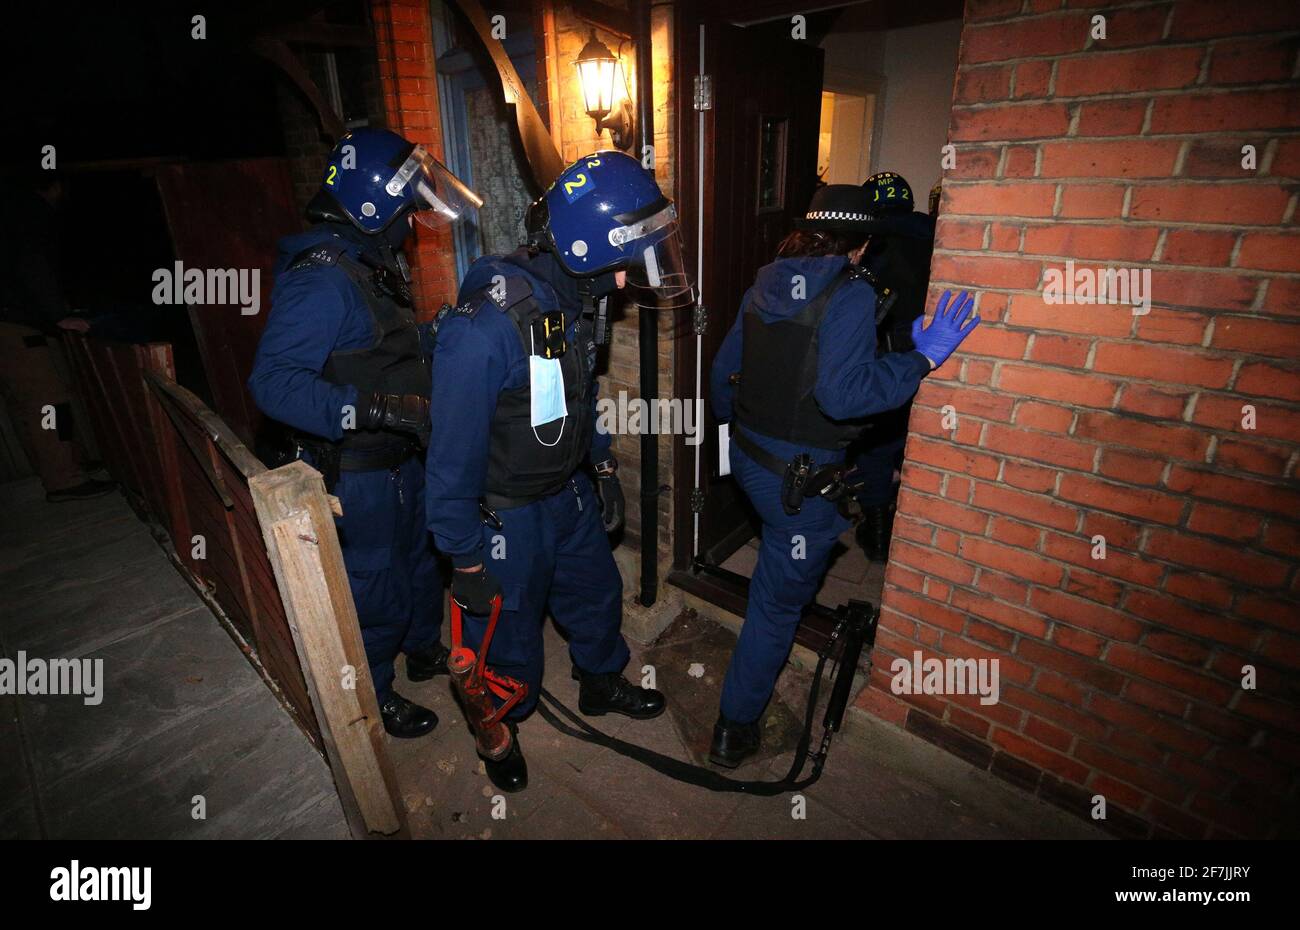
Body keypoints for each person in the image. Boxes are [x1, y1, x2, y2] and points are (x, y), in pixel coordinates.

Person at [425, 150, 694, 793]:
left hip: (567, 490)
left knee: (595, 595)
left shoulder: (577, 295)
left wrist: (599, 464)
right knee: (509, 633)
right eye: (623, 264)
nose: (629, 282)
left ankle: (601, 683)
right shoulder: (487, 327)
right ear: (582, 246)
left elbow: (580, 391)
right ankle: (503, 728)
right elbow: (449, 457)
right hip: (506, 513)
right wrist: (464, 560)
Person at [708, 183, 978, 767]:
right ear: (861, 246)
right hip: (801, 481)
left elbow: (723, 376)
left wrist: (742, 430)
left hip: (752, 460)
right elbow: (842, 394)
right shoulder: (851, 292)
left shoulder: (766, 279)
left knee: (776, 556)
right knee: (777, 607)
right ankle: (734, 725)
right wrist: (921, 359)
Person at [248, 128, 481, 739]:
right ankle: (375, 692)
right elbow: (273, 383)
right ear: (375, 206)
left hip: (402, 458)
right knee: (374, 584)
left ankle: (420, 645)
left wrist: (439, 332)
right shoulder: (321, 277)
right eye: (409, 207)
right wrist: (373, 409)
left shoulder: (367, 260)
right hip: (358, 467)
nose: (413, 220)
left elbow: (377, 348)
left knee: (417, 564)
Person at [0, 171, 116, 502]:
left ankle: (66, 463)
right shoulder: (24, 211)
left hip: (16, 323)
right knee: (46, 401)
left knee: (35, 402)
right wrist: (58, 314)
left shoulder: (12, 210)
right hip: (17, 324)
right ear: (55, 187)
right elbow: (32, 263)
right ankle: (64, 478)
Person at [851, 171, 938, 561]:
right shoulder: (937, 232)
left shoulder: (868, 240)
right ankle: (902, 517)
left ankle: (878, 531)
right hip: (929, 350)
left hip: (881, 351)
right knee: (913, 436)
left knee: (877, 443)